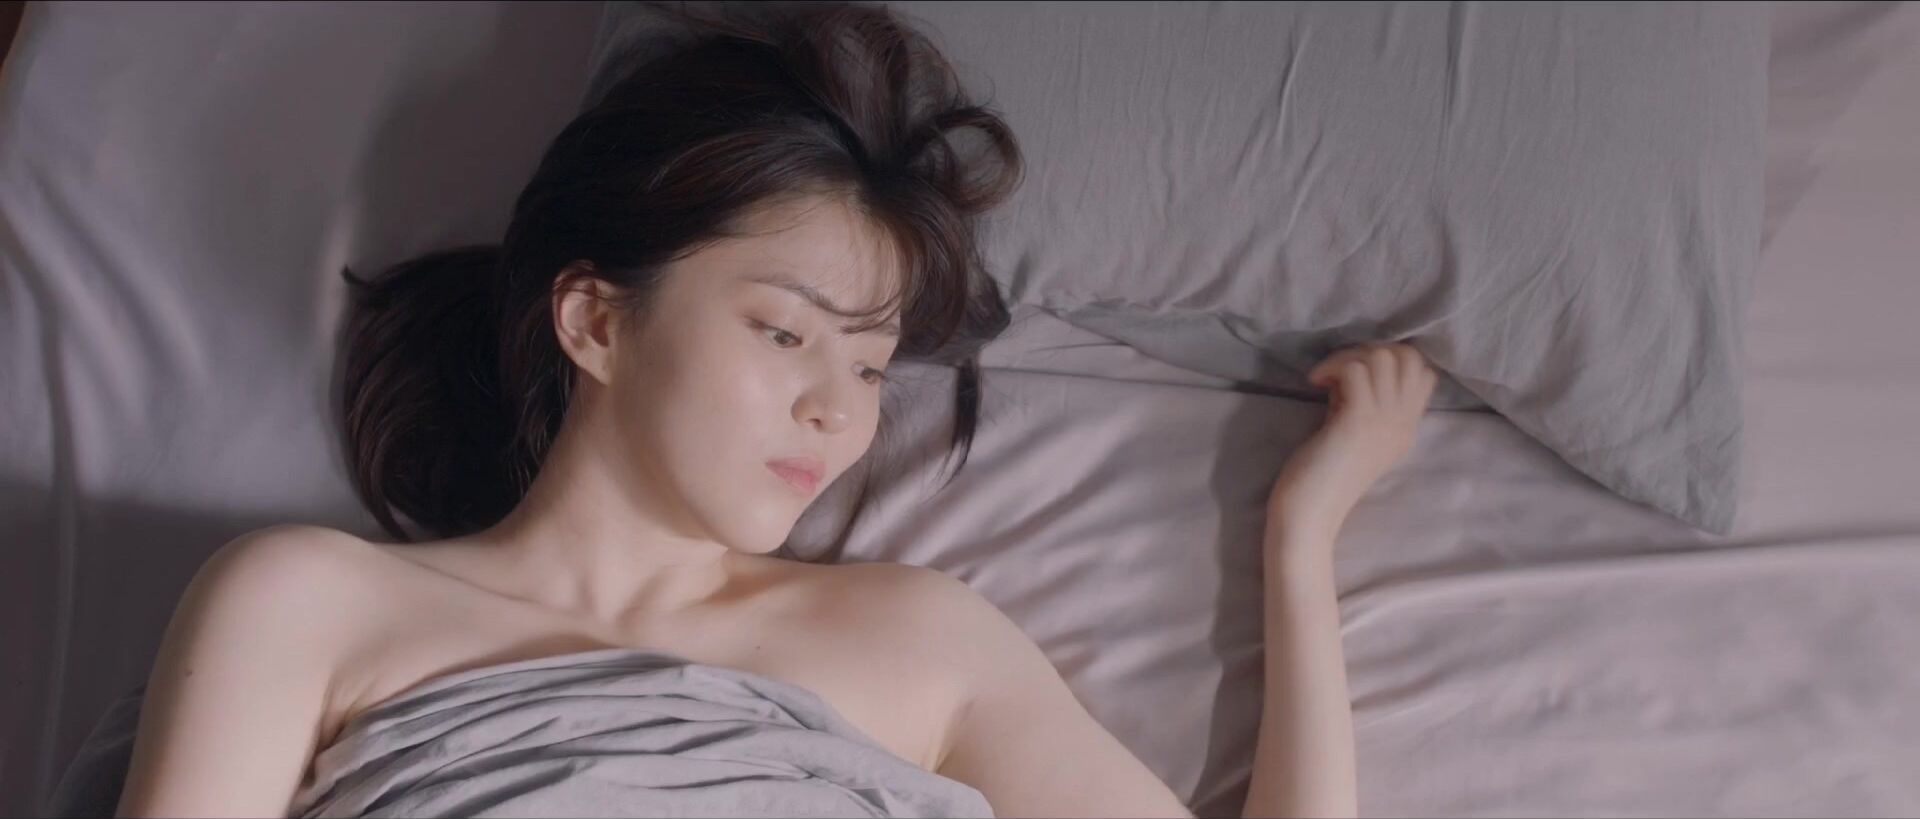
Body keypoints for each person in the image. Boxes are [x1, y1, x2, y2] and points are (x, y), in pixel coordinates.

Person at [111, 3, 1437, 817]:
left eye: (868, 367)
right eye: (786, 332)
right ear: (597, 320)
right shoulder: (309, 605)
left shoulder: (920, 642)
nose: (834, 412)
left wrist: (1304, 535)